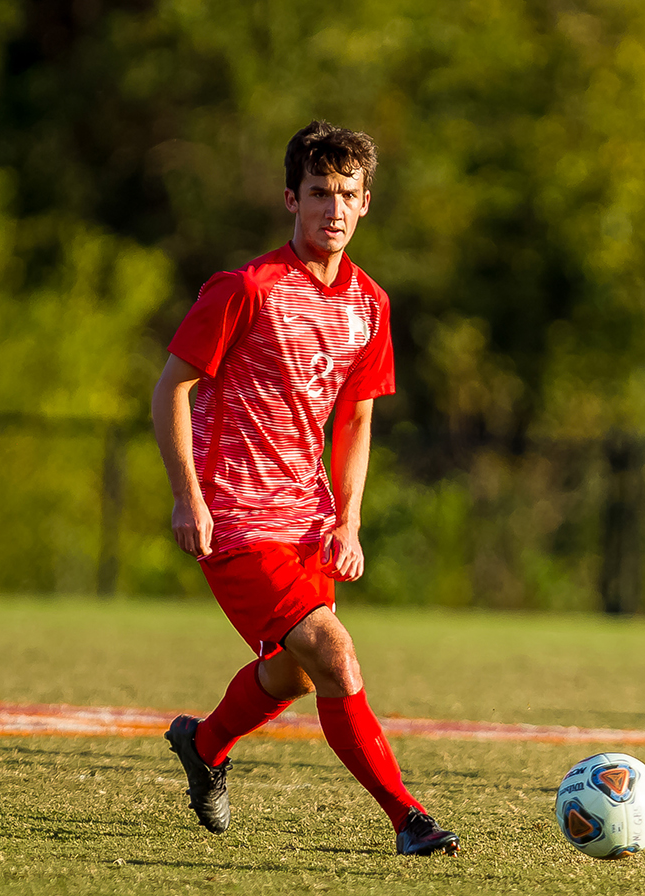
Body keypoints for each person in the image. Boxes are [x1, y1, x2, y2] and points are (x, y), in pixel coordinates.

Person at [152, 121, 458, 856]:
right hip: (236, 518)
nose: (333, 208)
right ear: (291, 198)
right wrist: (188, 496)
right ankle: (409, 819)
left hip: (307, 522)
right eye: (319, 192)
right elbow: (170, 390)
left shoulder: (371, 304)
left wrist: (349, 521)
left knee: (293, 672)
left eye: (347, 193)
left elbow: (356, 418)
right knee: (334, 653)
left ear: (366, 202)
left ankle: (205, 744)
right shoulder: (245, 289)